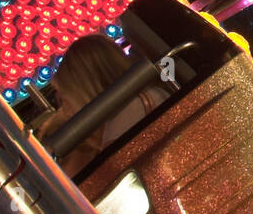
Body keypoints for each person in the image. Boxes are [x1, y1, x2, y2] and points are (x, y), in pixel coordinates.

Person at [38, 34, 170, 177]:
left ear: (84, 90)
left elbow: (108, 180)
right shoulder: (145, 99)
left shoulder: (131, 113)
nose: (66, 110)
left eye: (65, 100)